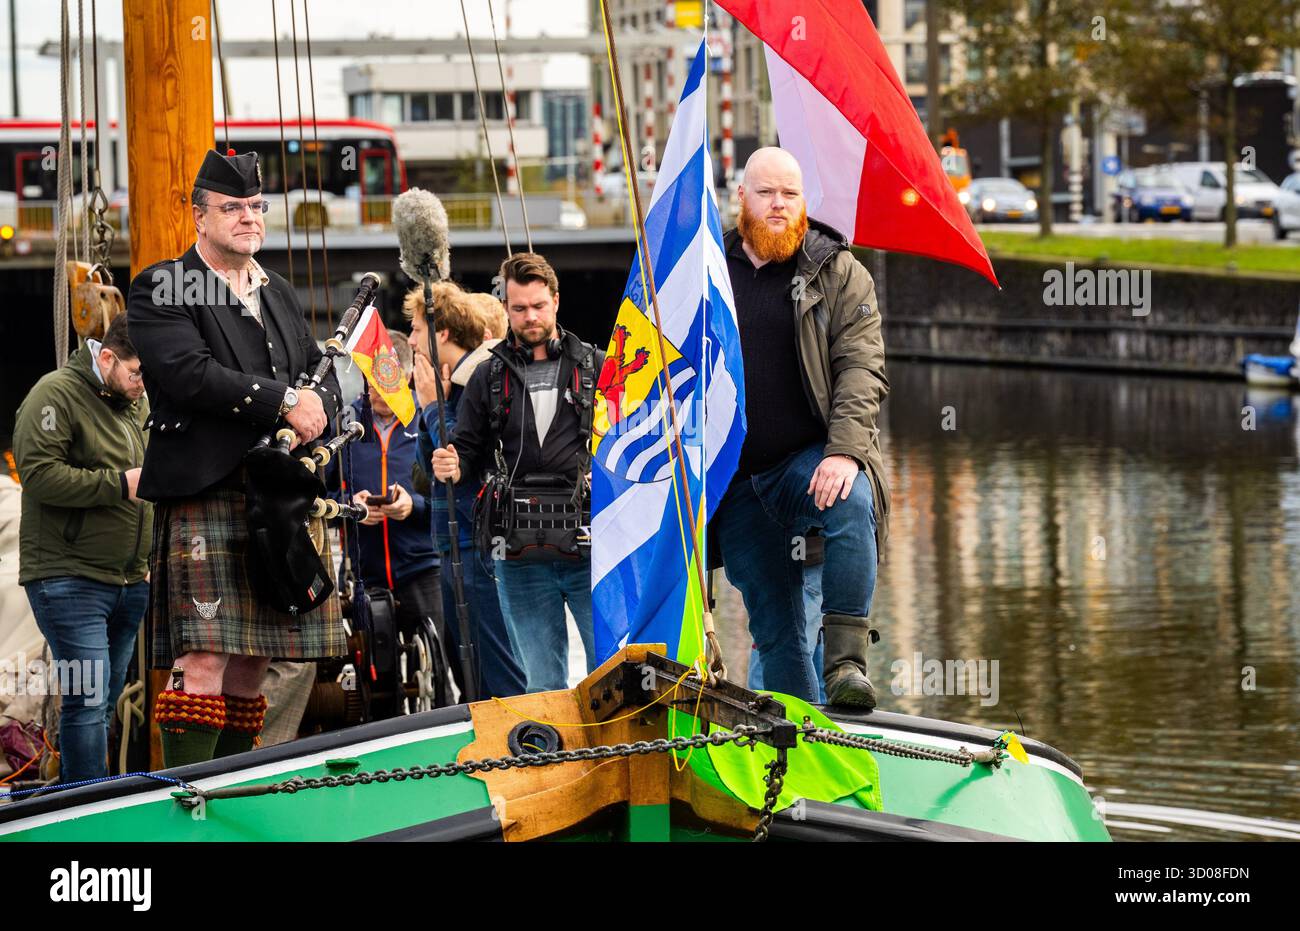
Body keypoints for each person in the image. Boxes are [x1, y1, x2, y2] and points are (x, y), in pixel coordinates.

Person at [127, 149, 344, 766]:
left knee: (254, 658)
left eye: (255, 207)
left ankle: (231, 793)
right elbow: (189, 374)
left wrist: (319, 405)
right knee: (203, 658)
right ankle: (187, 795)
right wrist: (286, 403)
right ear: (199, 217)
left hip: (273, 494)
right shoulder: (166, 282)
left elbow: (311, 372)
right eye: (232, 208)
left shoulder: (275, 291)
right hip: (207, 486)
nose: (248, 218)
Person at [714, 146, 891, 708]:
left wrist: (843, 452)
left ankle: (845, 665)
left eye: (790, 194)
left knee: (852, 497)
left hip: (803, 463)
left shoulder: (838, 273)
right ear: (741, 197)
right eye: (766, 193)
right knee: (778, 636)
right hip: (734, 483)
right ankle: (800, 754)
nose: (778, 205)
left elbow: (861, 370)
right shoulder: (705, 269)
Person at [430, 254, 604, 693]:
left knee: (612, 679)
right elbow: (465, 451)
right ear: (505, 308)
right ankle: (551, 759)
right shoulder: (487, 376)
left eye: (539, 306)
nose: (531, 317)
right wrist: (451, 464)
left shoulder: (596, 366)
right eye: (520, 308)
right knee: (542, 687)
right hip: (519, 556)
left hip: (592, 551)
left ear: (557, 302)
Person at [13, 313, 152, 782]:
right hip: (68, 579)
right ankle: (85, 806)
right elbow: (38, 474)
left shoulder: (134, 399)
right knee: (87, 700)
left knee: (106, 696)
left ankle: (92, 793)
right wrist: (119, 485)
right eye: (136, 373)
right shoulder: (54, 395)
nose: (142, 385)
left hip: (129, 580)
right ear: (107, 357)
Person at [407, 282, 527, 698]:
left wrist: (429, 407)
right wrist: (429, 405)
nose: (410, 339)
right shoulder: (450, 385)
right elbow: (429, 471)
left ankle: (522, 746)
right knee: (466, 665)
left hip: (478, 541)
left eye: (417, 328)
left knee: (497, 663)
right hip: (451, 542)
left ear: (441, 333)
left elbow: (462, 459)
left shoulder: (480, 378)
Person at [337, 330, 449, 700]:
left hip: (421, 567)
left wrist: (413, 507)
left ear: (407, 377)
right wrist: (352, 507)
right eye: (369, 382)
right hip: (365, 575)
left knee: (442, 665)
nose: (374, 393)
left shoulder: (432, 422)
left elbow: (454, 499)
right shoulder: (346, 424)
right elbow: (321, 496)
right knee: (376, 687)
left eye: (384, 383)